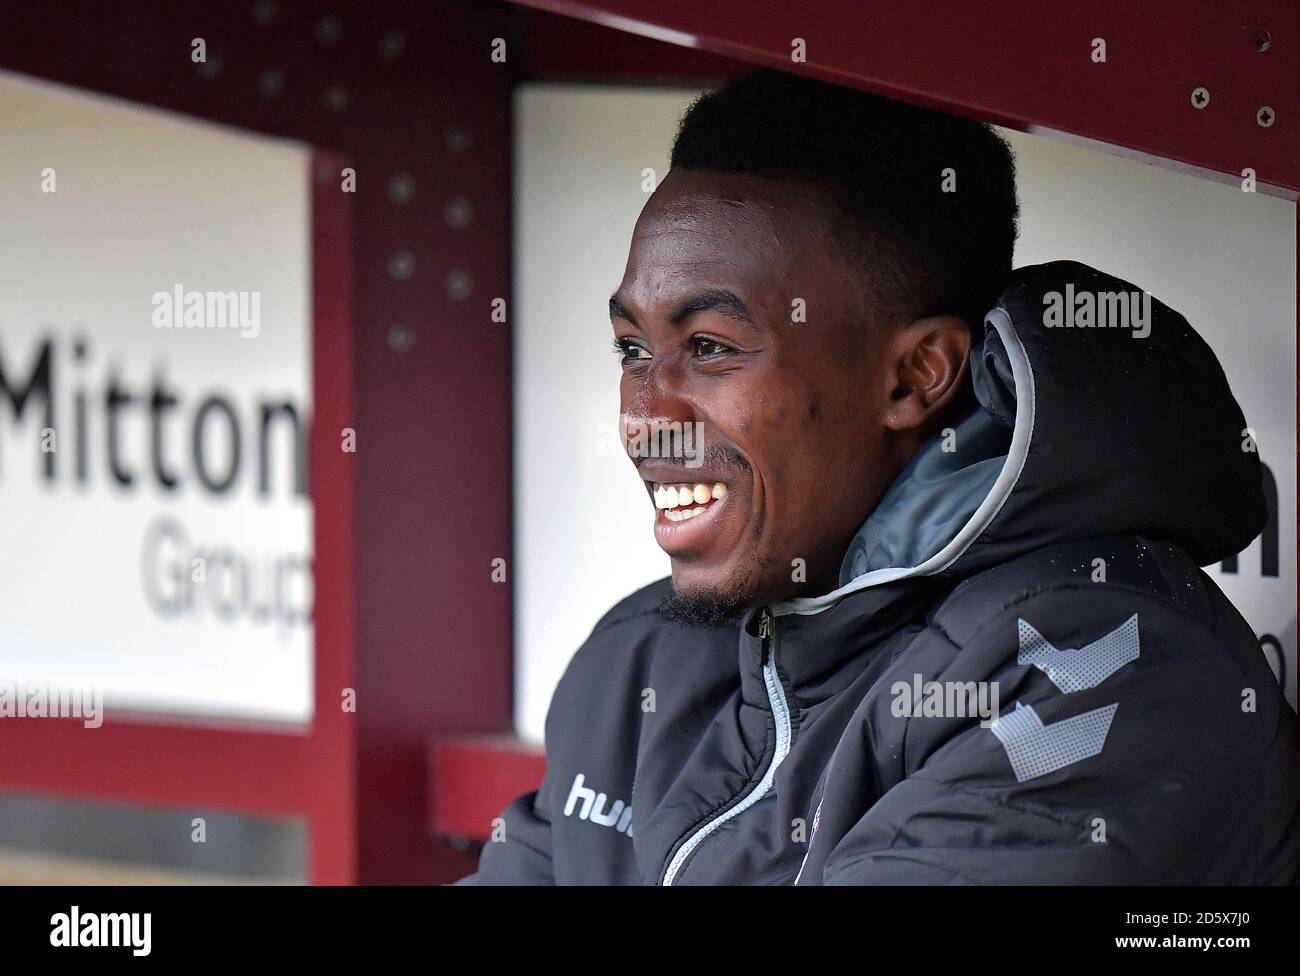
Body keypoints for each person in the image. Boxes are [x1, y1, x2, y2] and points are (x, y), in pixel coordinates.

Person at [458, 68, 1299, 884]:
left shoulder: (1094, 670)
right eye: (634, 349)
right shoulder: (641, 662)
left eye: (711, 348)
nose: (646, 415)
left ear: (914, 377)